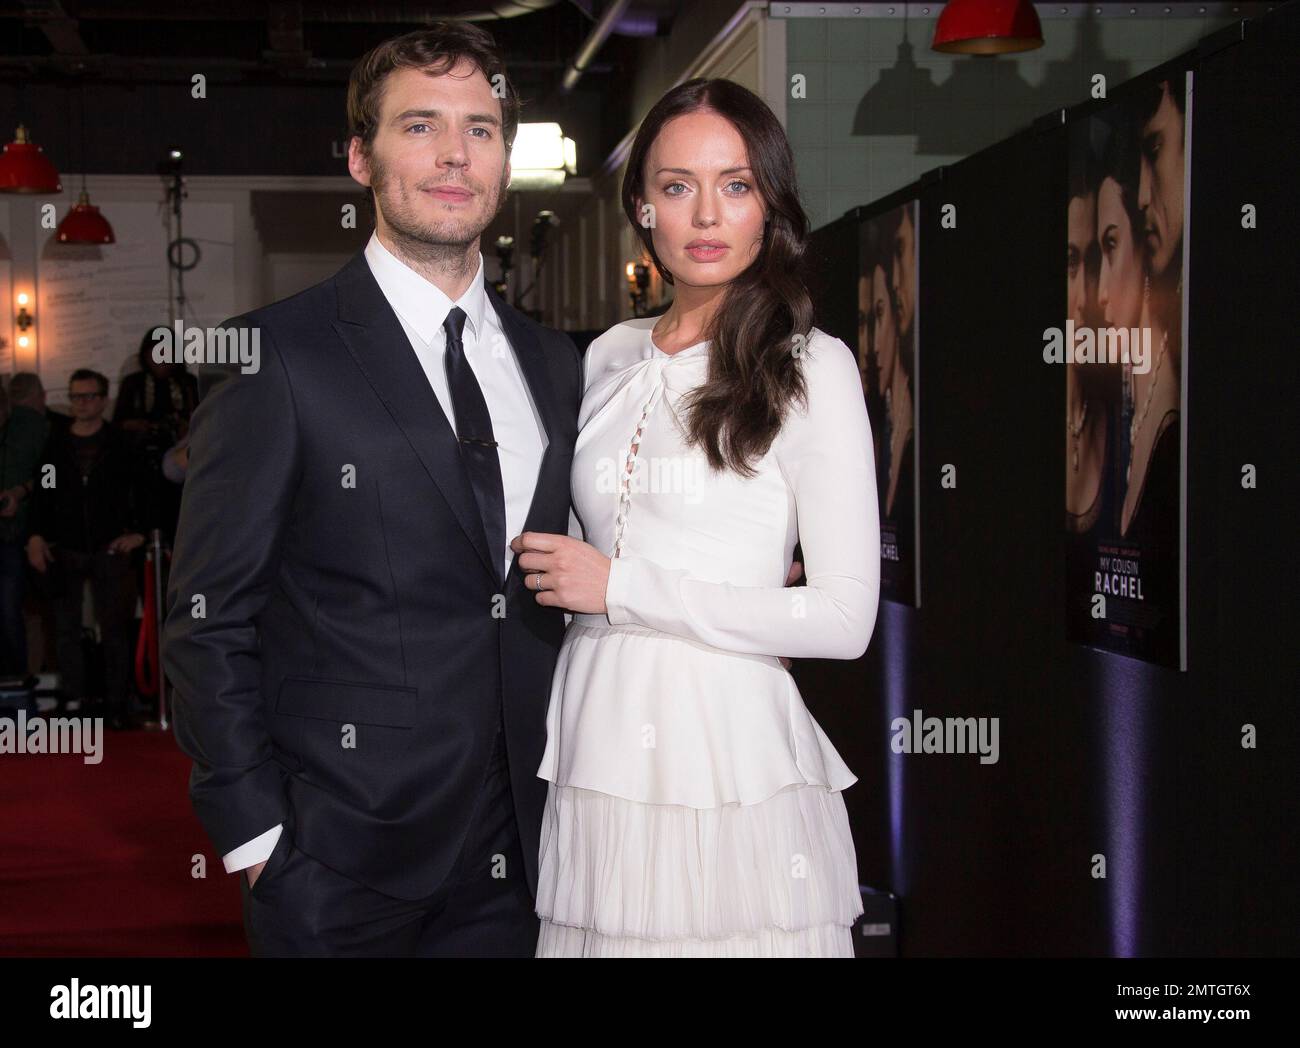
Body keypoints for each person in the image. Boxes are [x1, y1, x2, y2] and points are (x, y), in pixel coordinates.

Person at [162, 22, 582, 957]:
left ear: (504, 160)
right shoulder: (277, 355)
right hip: (337, 858)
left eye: (480, 128)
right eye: (419, 125)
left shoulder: (559, 367)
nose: (453, 154)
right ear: (361, 157)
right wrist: (256, 837)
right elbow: (207, 616)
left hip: (529, 850)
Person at [512, 77, 881, 956]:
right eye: (678, 186)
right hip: (595, 742)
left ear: (769, 207)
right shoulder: (607, 355)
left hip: (726, 753)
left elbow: (842, 618)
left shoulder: (809, 365)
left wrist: (624, 587)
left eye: (737, 185)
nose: (707, 214)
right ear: (643, 207)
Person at [27, 369, 151, 729]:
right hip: (65, 548)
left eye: (89, 396)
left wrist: (140, 533)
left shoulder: (121, 445)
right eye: (76, 396)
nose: (82, 403)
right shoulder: (56, 445)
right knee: (65, 629)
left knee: (114, 628)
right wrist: (35, 535)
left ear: (104, 399)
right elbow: (43, 493)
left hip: (109, 547)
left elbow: (142, 490)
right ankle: (74, 698)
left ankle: (115, 702)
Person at [0, 376, 50, 676]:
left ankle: (15, 685)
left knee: (9, 610)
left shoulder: (31, 427)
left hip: (19, 532)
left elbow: (52, 476)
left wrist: (21, 492)